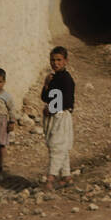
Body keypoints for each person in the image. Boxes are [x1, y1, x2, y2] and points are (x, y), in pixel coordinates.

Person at [40, 46, 76, 188]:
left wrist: (53, 109)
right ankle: (67, 176)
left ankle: (51, 177)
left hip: (61, 117)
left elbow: (67, 101)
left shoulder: (67, 80)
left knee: (57, 146)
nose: (55, 63)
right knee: (59, 146)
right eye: (53, 60)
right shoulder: (53, 78)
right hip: (52, 118)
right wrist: (46, 84)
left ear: (65, 61)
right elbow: (45, 97)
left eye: (59, 60)